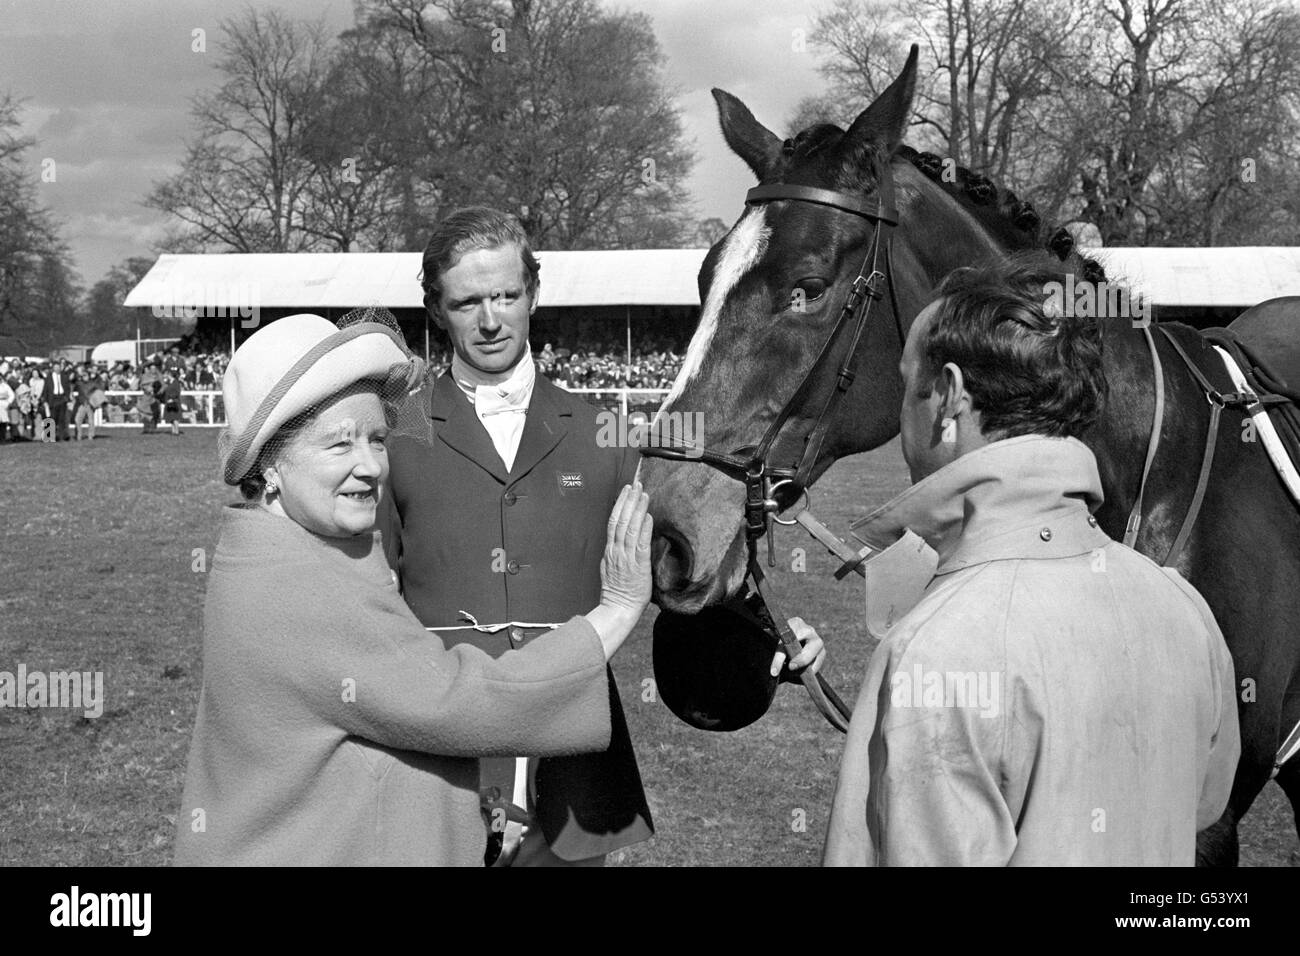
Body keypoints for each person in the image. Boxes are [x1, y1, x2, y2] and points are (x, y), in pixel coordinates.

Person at [384, 207, 822, 866]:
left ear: (533, 292)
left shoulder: (605, 434)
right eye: (468, 301)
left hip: (573, 779)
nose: (492, 318)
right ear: (437, 310)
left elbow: (669, 577)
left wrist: (768, 642)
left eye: (506, 294)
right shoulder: (395, 437)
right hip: (436, 766)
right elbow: (361, 599)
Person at [174, 313, 655, 866]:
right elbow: (459, 703)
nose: (370, 465)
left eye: (377, 439)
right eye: (339, 445)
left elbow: (369, 744)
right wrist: (615, 613)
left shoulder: (284, 548)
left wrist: (468, 825)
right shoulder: (295, 587)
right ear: (270, 463)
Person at [822, 261, 1239, 866]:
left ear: (948, 396)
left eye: (905, 381)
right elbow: (1201, 806)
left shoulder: (935, 651)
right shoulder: (1184, 606)